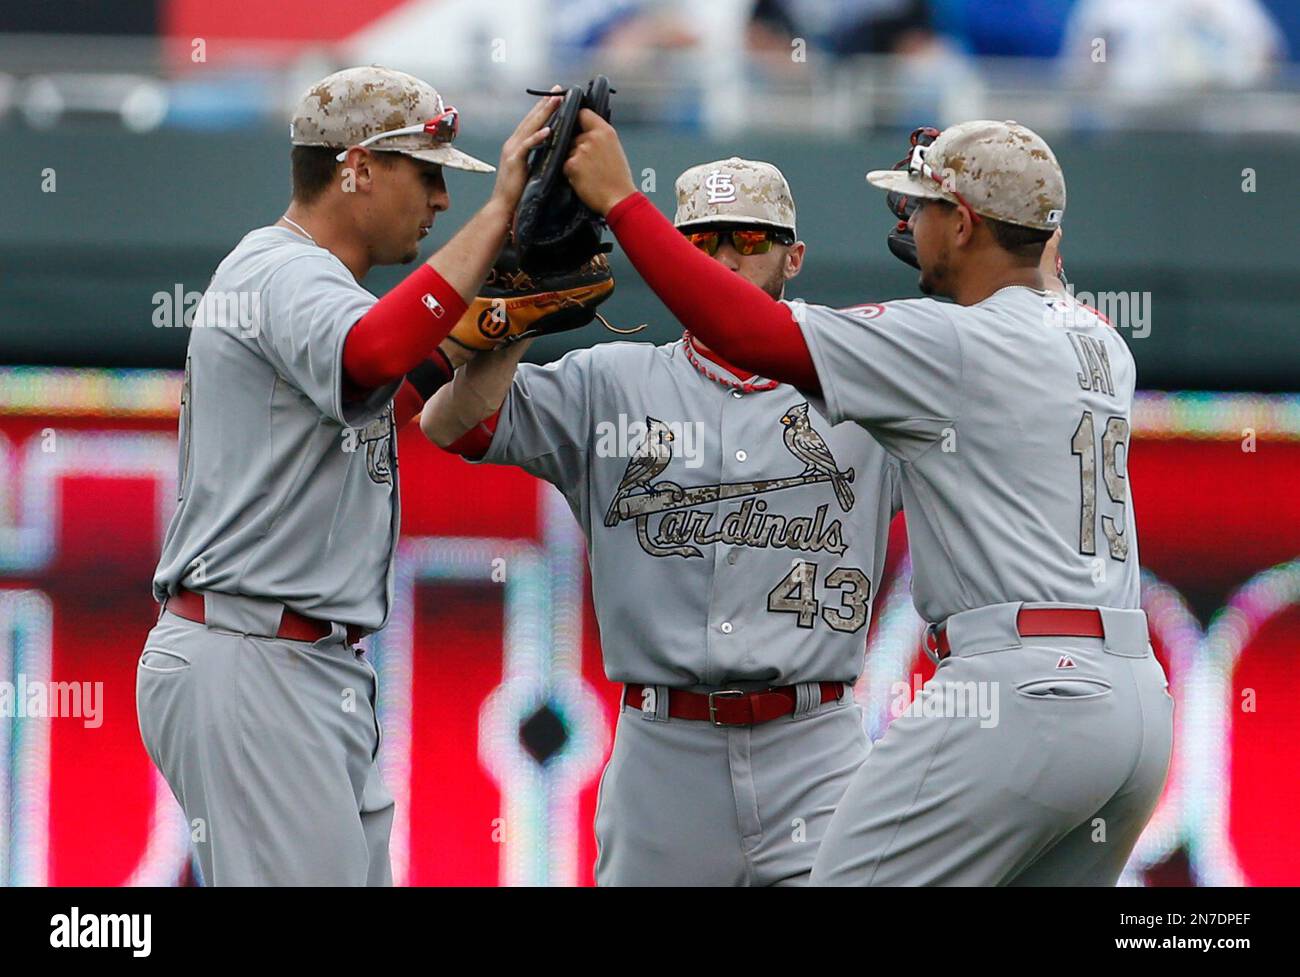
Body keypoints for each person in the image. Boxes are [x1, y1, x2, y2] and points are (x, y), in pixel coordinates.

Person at [561, 112, 1174, 885]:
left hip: (1023, 688)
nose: (906, 219)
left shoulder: (946, 341)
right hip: (1137, 705)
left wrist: (622, 201)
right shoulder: (1097, 337)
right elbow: (1029, 260)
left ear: (964, 224)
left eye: (919, 207)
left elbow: (750, 334)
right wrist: (976, 214)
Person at [421, 158, 901, 886]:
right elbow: (452, 421)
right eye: (700, 242)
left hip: (818, 746)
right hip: (664, 748)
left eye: (747, 237)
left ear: (794, 257)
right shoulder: (611, 381)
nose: (723, 258)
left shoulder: (866, 386)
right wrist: (522, 310)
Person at [136, 65, 560, 886]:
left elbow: (383, 390)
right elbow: (370, 354)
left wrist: (500, 322)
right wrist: (503, 211)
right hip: (251, 649)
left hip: (301, 660)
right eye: (429, 173)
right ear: (356, 167)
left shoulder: (319, 289)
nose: (442, 200)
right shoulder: (278, 269)